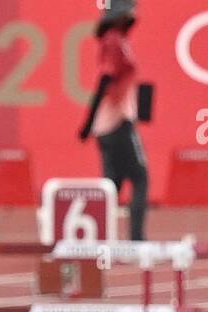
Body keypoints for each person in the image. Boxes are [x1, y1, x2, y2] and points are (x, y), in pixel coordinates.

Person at [78, 0, 149, 242]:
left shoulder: (118, 40)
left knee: (112, 185)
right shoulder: (113, 41)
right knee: (140, 177)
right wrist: (87, 122)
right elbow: (105, 80)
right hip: (116, 122)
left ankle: (96, 237)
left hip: (111, 122)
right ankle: (137, 240)